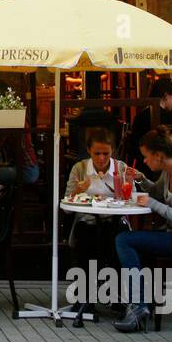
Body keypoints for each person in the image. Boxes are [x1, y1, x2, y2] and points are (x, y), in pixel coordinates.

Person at [113, 127, 172, 332]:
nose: (145, 161)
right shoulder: (170, 170)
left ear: (159, 155)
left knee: (124, 240)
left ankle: (138, 306)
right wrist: (141, 179)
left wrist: (154, 205)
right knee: (128, 241)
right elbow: (157, 191)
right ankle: (140, 303)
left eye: (146, 157)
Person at [63, 127, 136, 315]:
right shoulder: (79, 169)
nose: (101, 158)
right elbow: (65, 205)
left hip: (115, 220)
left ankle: (115, 295)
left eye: (106, 153)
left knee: (119, 241)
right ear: (89, 150)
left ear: (113, 151)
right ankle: (85, 296)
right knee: (87, 241)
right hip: (87, 221)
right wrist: (78, 191)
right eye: (97, 153)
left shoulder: (120, 168)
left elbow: (131, 200)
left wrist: (126, 186)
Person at [127, 77, 172, 173]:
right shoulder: (170, 118)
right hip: (160, 168)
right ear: (166, 95)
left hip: (139, 166)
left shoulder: (140, 116)